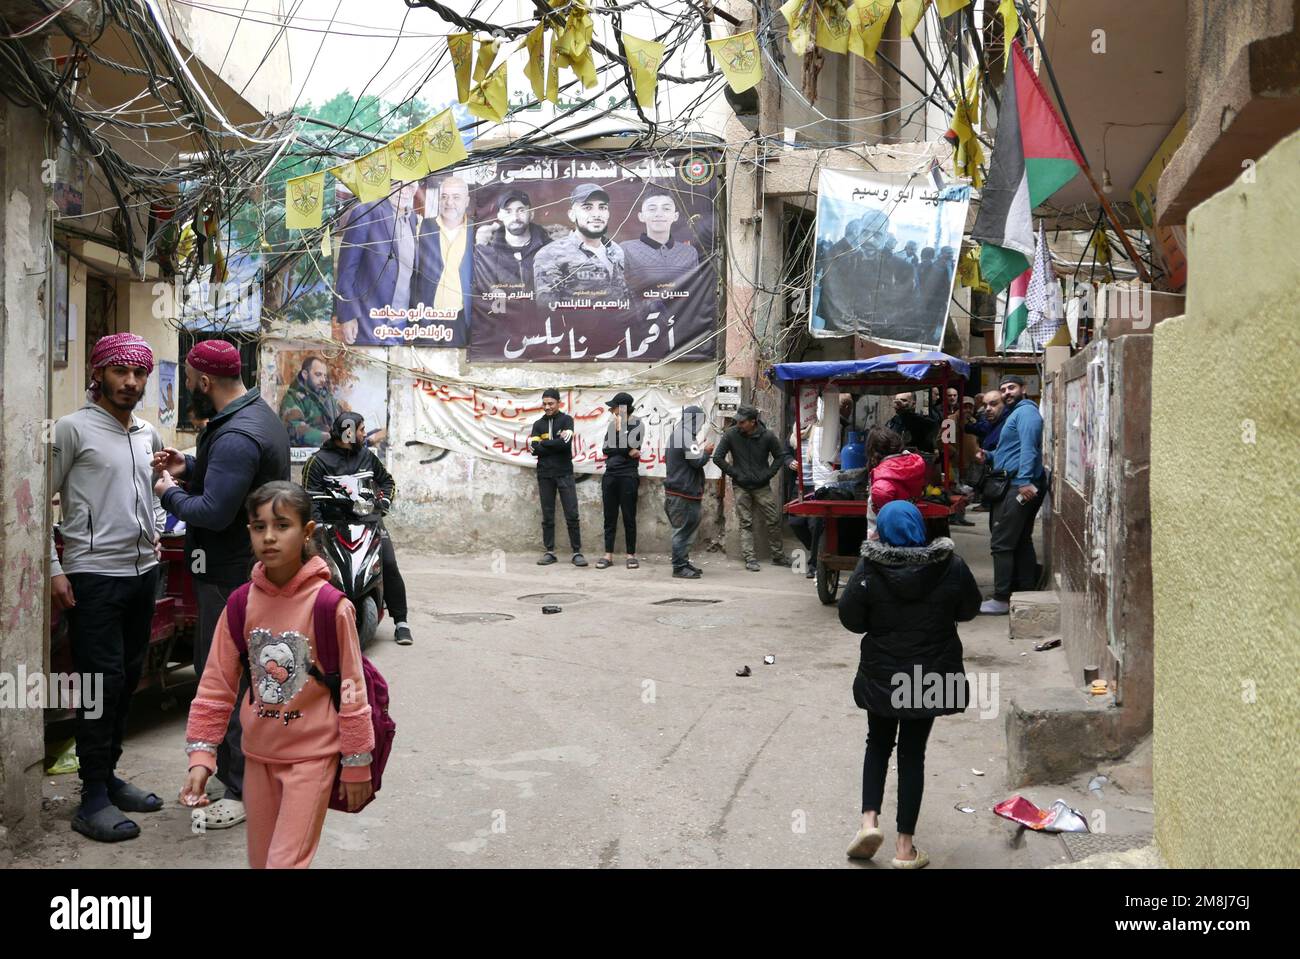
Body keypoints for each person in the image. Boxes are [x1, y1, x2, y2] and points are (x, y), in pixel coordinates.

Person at [180, 482, 373, 868]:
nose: (268, 537)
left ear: (307, 532)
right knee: (260, 861)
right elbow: (216, 685)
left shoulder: (330, 605)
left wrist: (356, 763)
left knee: (283, 864)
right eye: (258, 526)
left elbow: (353, 689)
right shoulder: (239, 604)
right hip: (257, 757)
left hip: (312, 758)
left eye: (282, 525)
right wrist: (202, 756)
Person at [152, 340, 291, 830]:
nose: (188, 385)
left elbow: (213, 511)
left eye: (190, 377)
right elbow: (229, 479)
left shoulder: (236, 434)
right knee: (243, 676)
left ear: (204, 381)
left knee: (225, 680)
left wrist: (169, 492)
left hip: (229, 575)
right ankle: (245, 774)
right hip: (241, 571)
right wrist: (188, 468)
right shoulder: (253, 414)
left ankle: (239, 786)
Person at [51, 333, 168, 842]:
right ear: (98, 374)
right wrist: (54, 568)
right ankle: (92, 796)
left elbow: (153, 494)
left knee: (126, 681)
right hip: (93, 576)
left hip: (143, 572)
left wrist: (159, 532)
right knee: (98, 686)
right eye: (121, 371)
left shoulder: (148, 434)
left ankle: (110, 775)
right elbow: (37, 502)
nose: (132, 382)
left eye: (139, 373)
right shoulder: (72, 430)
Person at [838, 500, 981, 868]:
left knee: (878, 743)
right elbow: (968, 609)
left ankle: (869, 822)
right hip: (929, 675)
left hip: (884, 673)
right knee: (912, 753)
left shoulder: (870, 567)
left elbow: (851, 618)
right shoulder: (951, 565)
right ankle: (904, 849)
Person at [303, 412, 415, 645]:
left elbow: (387, 481)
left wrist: (383, 502)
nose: (365, 434)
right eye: (361, 429)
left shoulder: (367, 456)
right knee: (323, 570)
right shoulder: (317, 462)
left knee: (389, 563)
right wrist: (318, 528)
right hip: (330, 527)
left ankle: (401, 622)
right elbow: (308, 498)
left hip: (369, 522)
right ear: (348, 433)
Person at [977, 375, 1046, 614]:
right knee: (1021, 539)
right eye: (1004, 389)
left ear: (1024, 389)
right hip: (1017, 481)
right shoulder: (1017, 413)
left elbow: (1030, 449)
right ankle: (1025, 590)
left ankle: (1002, 598)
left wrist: (1025, 481)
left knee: (1001, 541)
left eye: (1012, 388)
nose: (1007, 392)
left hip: (1019, 485)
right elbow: (1011, 450)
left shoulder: (1026, 413)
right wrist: (990, 456)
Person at [335, 181, 421, 346]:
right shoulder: (366, 212)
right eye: (397, 184)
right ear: (387, 184)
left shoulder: (412, 219)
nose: (404, 191)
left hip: (400, 324)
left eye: (410, 186)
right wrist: (349, 316)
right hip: (368, 320)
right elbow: (347, 269)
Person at [712, 405, 797, 572]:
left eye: (742, 422)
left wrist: (768, 475)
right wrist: (735, 474)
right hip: (741, 486)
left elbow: (780, 457)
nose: (739, 424)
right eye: (738, 421)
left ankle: (778, 556)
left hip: (762, 486)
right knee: (746, 522)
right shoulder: (731, 435)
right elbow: (717, 458)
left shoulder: (767, 436)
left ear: (753, 422)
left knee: (773, 519)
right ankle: (750, 558)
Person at [532, 184, 631, 305]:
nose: (597, 214)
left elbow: (624, 298)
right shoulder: (551, 254)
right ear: (572, 215)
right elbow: (547, 309)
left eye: (602, 207)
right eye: (587, 208)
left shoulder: (616, 250)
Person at [528, 387, 586, 567]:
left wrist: (543, 443)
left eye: (550, 403)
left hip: (564, 473)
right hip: (545, 474)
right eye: (544, 404)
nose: (547, 407)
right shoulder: (538, 424)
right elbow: (533, 449)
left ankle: (577, 552)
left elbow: (564, 445)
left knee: (572, 514)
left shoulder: (567, 420)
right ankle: (549, 552)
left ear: (558, 403)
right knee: (548, 515)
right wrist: (551, 444)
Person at [412, 175, 474, 343]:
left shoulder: (476, 231)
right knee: (421, 368)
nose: (449, 202)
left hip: (460, 320)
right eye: (444, 197)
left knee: (453, 367)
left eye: (456, 197)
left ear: (467, 201)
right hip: (425, 319)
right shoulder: (422, 227)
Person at [621, 189, 700, 320]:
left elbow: (695, 294)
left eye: (666, 209)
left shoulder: (689, 253)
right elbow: (620, 294)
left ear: (675, 216)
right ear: (641, 216)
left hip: (684, 325)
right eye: (652, 209)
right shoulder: (625, 249)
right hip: (639, 325)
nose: (659, 214)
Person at [473, 189, 552, 305]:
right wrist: (481, 246)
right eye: (508, 211)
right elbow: (481, 294)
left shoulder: (550, 249)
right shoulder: (488, 251)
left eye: (521, 210)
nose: (515, 217)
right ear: (499, 216)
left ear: (531, 214)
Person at [664, 405, 713, 578]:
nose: (700, 427)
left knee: (686, 531)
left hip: (680, 492)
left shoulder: (679, 434)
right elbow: (697, 461)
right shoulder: (685, 436)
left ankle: (683, 562)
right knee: (682, 532)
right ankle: (679, 567)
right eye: (700, 423)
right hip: (682, 494)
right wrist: (706, 452)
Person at [596, 392, 643, 569]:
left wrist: (620, 432)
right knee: (610, 516)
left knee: (629, 516)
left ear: (623, 409)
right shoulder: (611, 425)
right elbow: (606, 450)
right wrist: (626, 449)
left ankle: (631, 555)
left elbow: (633, 448)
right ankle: (608, 555)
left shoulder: (637, 424)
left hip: (628, 476)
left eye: (614, 407)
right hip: (610, 475)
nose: (611, 410)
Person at [279, 355, 340, 448]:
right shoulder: (292, 398)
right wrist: (327, 438)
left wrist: (353, 436)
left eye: (324, 376)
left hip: (332, 455)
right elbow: (294, 430)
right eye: (318, 374)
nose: (323, 379)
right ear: (305, 374)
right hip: (308, 458)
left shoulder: (328, 398)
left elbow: (342, 421)